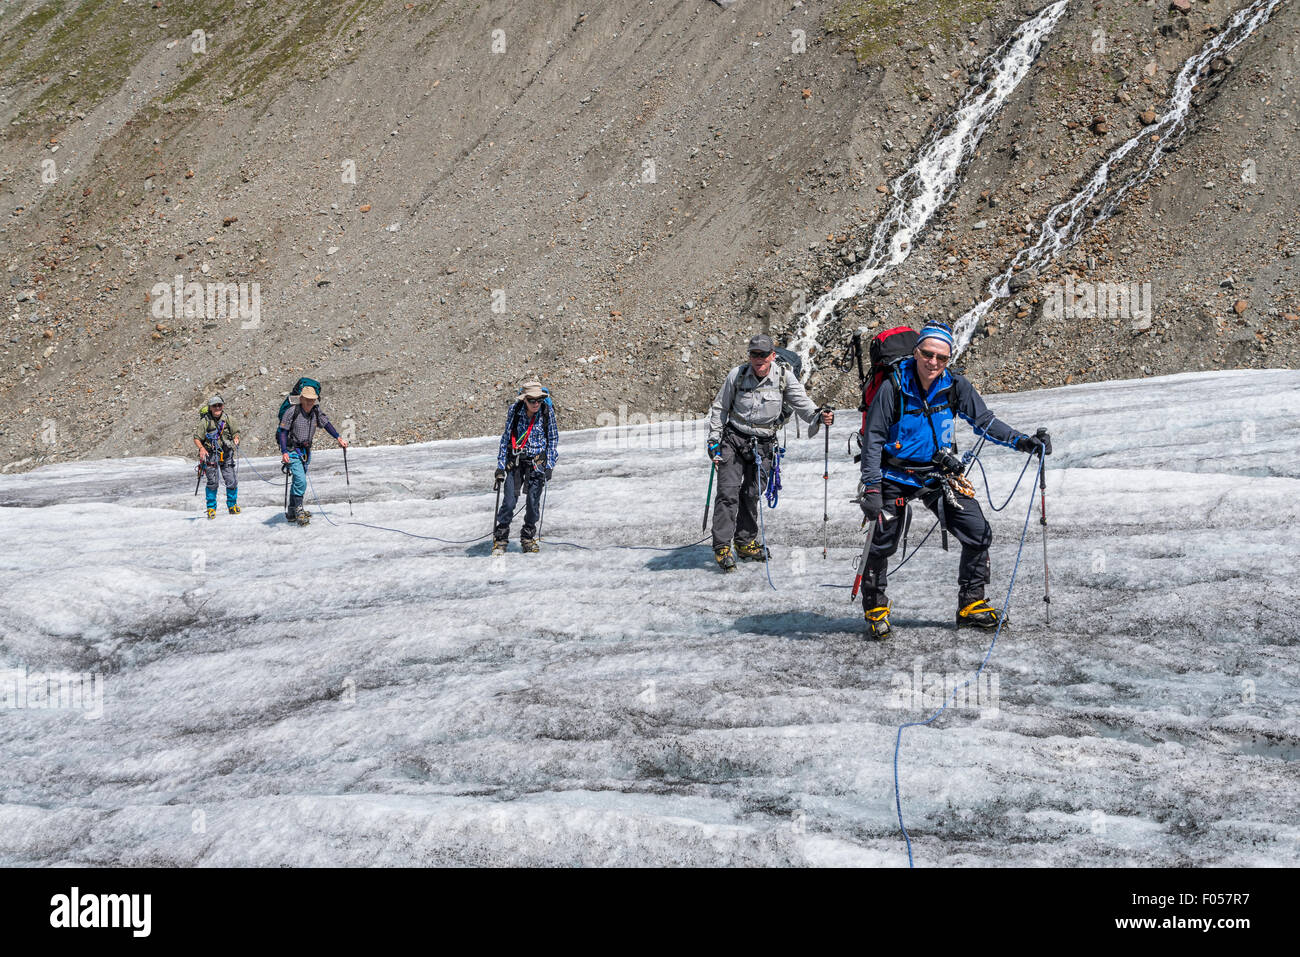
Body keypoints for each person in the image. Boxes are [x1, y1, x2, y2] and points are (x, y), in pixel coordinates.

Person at [857, 321, 1051, 637]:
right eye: (927, 354)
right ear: (916, 351)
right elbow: (874, 438)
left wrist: (1022, 441)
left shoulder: (955, 386)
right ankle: (876, 609)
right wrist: (873, 486)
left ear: (949, 359)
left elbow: (984, 421)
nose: (933, 362)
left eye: (941, 357)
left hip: (938, 474)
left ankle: (971, 606)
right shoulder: (893, 387)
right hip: (893, 475)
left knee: (977, 531)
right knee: (882, 541)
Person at [706, 334, 834, 571]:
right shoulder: (737, 375)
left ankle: (744, 542)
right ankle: (722, 546)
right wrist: (713, 441)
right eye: (754, 354)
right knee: (727, 492)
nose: (758, 359)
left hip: (764, 446)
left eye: (763, 354)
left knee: (752, 492)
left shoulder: (784, 378)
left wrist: (820, 416)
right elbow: (720, 408)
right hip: (733, 440)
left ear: (772, 356)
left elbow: (804, 407)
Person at [493, 381, 558, 554]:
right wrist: (500, 467)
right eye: (532, 400)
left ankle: (528, 538)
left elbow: (553, 439)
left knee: (532, 504)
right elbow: (506, 438)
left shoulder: (546, 412)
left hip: (537, 465)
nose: (536, 404)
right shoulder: (514, 411)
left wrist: (549, 465)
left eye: (539, 400)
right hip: (515, 462)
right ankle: (501, 539)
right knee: (508, 502)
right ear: (525, 400)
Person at [277, 384, 347, 526]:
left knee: (297, 481)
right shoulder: (292, 412)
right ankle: (299, 509)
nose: (310, 403)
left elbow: (326, 424)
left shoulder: (316, 411)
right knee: (301, 481)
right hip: (292, 450)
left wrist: (338, 437)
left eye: (312, 400)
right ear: (301, 399)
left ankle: (292, 512)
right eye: (307, 399)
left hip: (306, 452)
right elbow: (282, 432)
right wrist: (284, 451)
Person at [193, 395, 241, 519]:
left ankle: (232, 505)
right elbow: (197, 438)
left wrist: (236, 439)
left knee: (231, 480)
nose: (217, 407)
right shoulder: (204, 422)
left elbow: (236, 432)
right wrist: (202, 448)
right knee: (212, 482)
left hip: (226, 453)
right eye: (215, 406)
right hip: (211, 455)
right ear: (210, 408)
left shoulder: (229, 419)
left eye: (219, 405)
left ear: (223, 406)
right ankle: (211, 508)